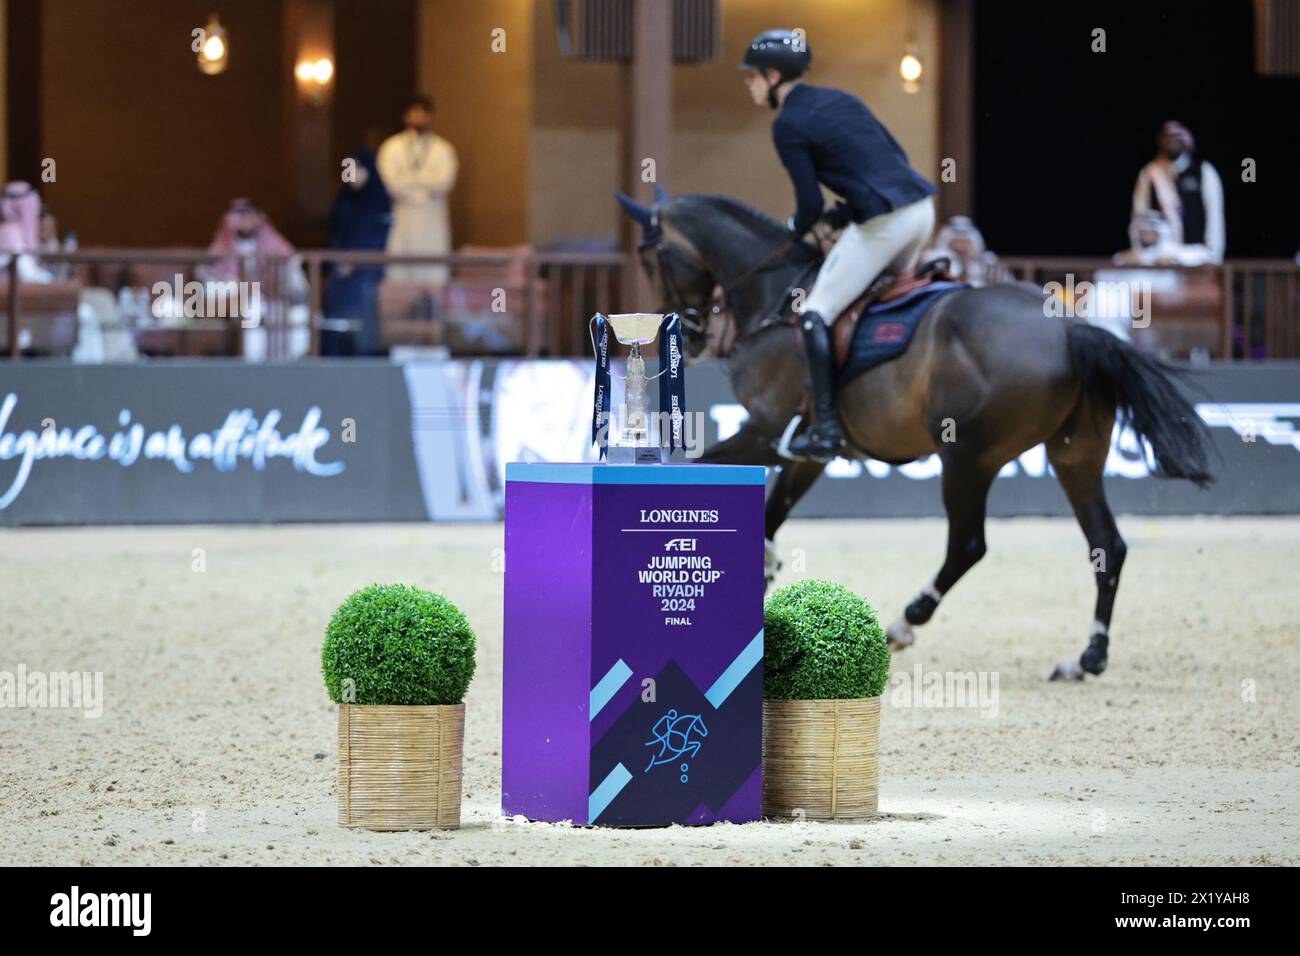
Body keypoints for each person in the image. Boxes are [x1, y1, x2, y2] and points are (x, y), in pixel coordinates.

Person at [740, 29, 937, 461]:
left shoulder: (788, 123)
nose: (749, 84)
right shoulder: (841, 100)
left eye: (752, 77)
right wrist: (846, 211)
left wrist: (799, 227)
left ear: (773, 76)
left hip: (885, 224)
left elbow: (808, 202)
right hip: (921, 211)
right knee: (873, 297)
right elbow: (890, 159)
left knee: (815, 313)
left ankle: (826, 428)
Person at [376, 94, 458, 285]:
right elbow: (390, 182)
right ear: (406, 116)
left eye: (423, 113)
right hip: (403, 216)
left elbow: (444, 182)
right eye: (414, 113)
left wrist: (410, 180)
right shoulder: (391, 147)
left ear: (430, 116)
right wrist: (424, 182)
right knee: (400, 273)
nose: (419, 117)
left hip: (432, 219)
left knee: (433, 273)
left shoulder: (443, 148)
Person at [324, 138, 392, 355]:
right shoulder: (344, 199)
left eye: (357, 169)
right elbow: (335, 233)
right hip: (340, 274)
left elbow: (379, 239)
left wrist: (355, 262)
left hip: (367, 273)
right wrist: (339, 261)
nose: (352, 175)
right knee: (334, 322)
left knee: (362, 326)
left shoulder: (379, 200)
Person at [1130, 121, 1224, 264]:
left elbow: (1214, 218)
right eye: (1167, 136)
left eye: (1177, 135)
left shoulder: (1203, 171)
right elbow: (1139, 217)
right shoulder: (1150, 173)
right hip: (1160, 257)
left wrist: (1214, 256)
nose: (1172, 140)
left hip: (1195, 255)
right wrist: (1141, 252)